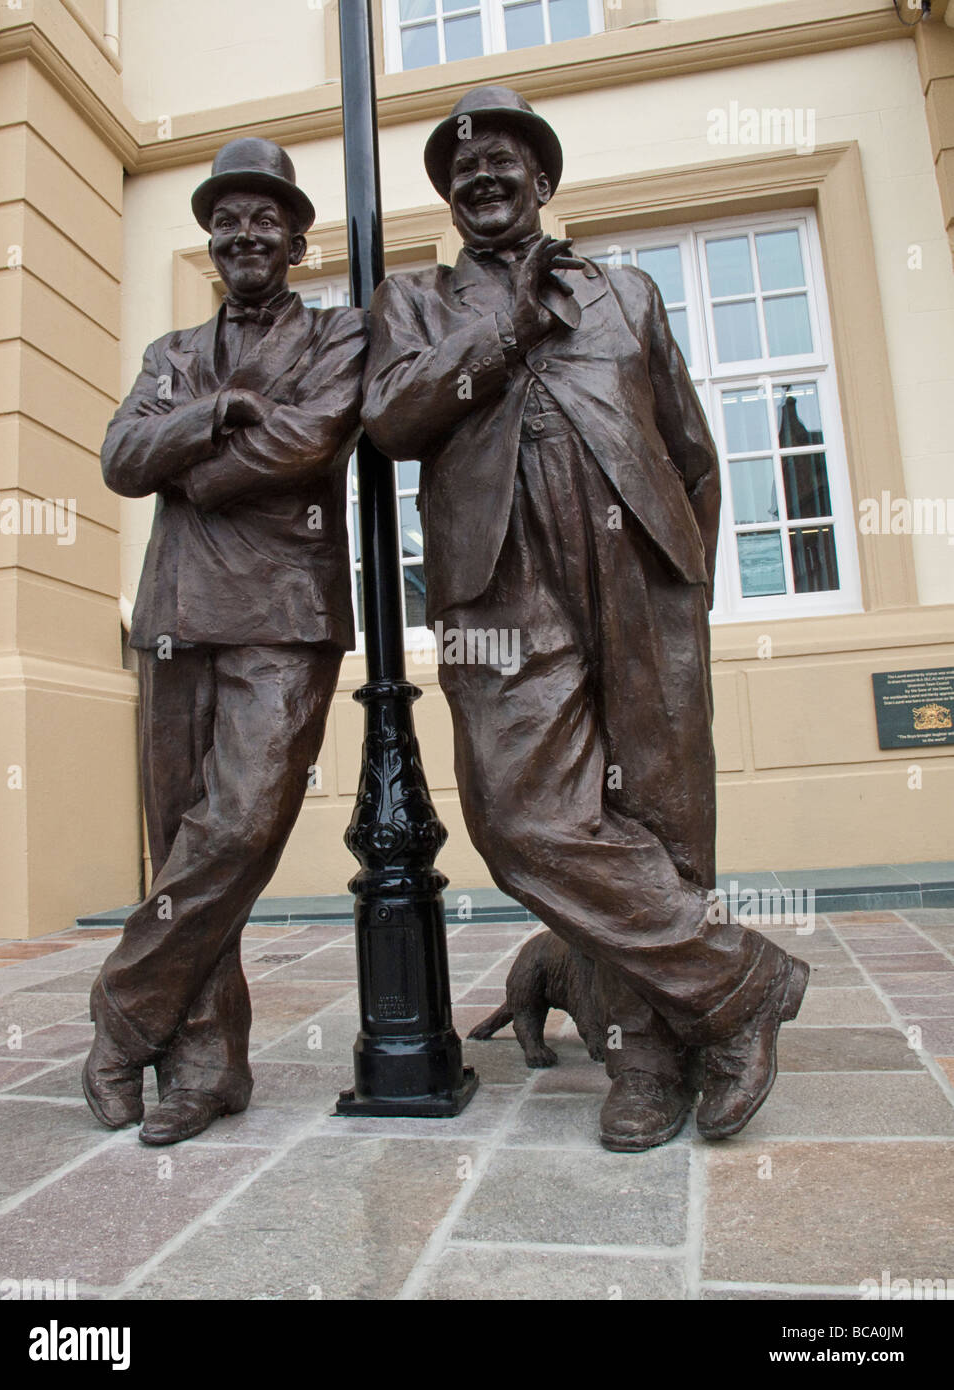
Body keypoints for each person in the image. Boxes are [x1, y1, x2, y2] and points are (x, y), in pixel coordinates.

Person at [361, 88, 808, 1152]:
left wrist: (680, 578)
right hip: (501, 581)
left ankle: (646, 1056)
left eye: (507, 157)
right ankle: (742, 980)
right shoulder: (415, 303)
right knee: (528, 821)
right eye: (464, 166)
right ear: (447, 194)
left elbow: (692, 448)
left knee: (660, 813)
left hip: (639, 568)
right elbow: (391, 421)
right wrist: (508, 326)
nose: (485, 175)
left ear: (544, 178)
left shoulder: (629, 293)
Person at [83, 138, 366, 1145]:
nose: (245, 233)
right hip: (173, 618)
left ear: (297, 236)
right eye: (226, 218)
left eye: (264, 217)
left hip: (285, 615)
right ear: (212, 238)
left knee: (239, 826)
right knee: (185, 845)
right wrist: (221, 408)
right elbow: (122, 457)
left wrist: (195, 462)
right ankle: (206, 1061)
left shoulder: (339, 334)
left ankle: (120, 1018)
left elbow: (312, 440)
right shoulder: (171, 355)